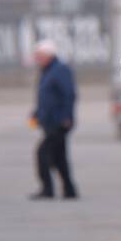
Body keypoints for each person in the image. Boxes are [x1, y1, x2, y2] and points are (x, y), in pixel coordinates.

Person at [30, 39, 78, 200]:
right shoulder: (47, 70)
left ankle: (47, 189)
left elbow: (69, 95)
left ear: (49, 55)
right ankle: (69, 190)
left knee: (42, 153)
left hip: (58, 122)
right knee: (59, 157)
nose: (36, 59)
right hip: (48, 121)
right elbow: (45, 97)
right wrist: (36, 113)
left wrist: (67, 117)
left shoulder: (60, 70)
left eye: (39, 55)